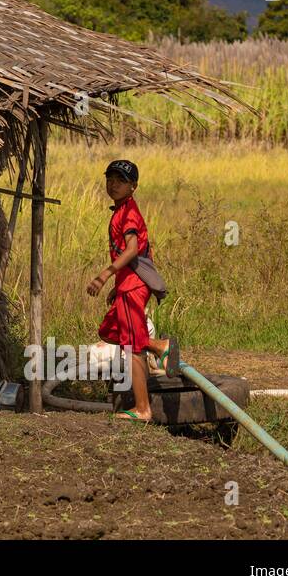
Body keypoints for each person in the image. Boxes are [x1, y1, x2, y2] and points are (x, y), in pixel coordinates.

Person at [86, 159, 178, 422]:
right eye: (110, 178)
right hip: (127, 285)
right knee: (110, 331)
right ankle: (160, 347)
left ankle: (142, 409)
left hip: (133, 287)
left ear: (133, 186)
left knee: (133, 346)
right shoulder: (121, 211)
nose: (113, 184)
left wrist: (106, 274)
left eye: (121, 180)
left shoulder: (127, 214)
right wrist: (117, 287)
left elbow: (132, 249)